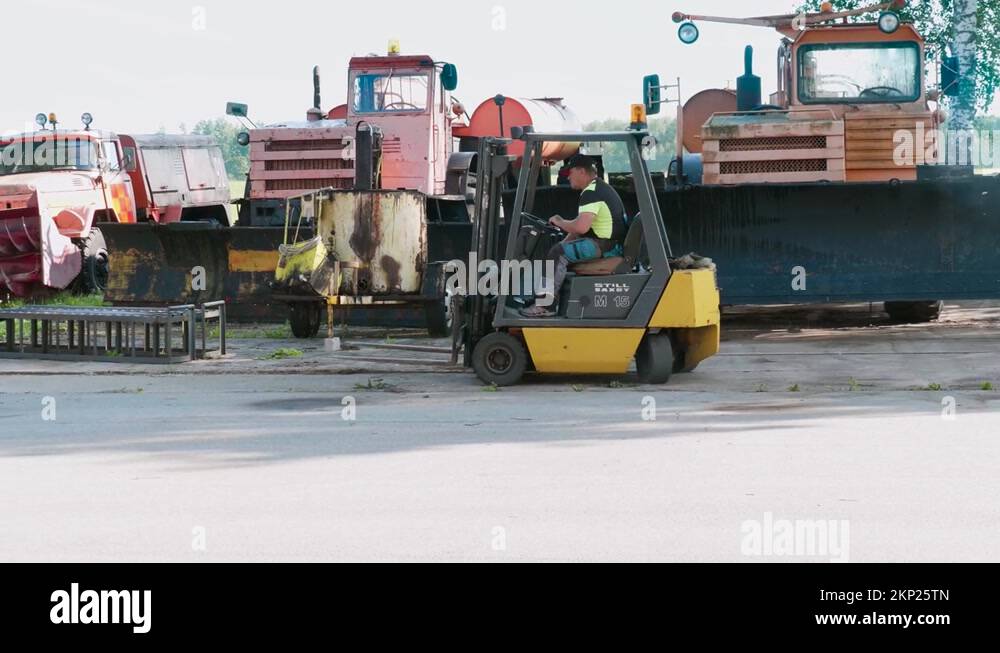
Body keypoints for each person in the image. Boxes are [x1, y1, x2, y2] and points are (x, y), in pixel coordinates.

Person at [521, 154, 626, 317]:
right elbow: (579, 227)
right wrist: (562, 242)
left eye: (571, 172)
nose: (568, 176)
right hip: (606, 244)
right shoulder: (598, 189)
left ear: (582, 172)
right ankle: (542, 299)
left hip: (604, 246)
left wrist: (560, 221)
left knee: (557, 253)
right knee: (558, 251)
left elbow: (581, 227)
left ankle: (545, 306)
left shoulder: (591, 193)